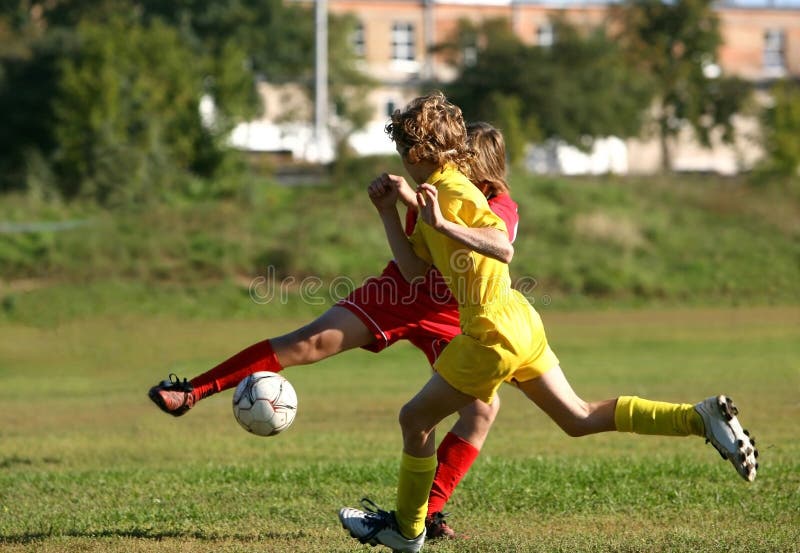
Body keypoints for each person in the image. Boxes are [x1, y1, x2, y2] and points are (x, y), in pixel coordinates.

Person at [338, 91, 759, 553]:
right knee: (578, 417)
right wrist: (389, 213)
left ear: (417, 152)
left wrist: (443, 224)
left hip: (490, 331)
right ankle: (697, 419)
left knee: (414, 418)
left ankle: (407, 529)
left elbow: (502, 247)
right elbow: (416, 276)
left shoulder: (456, 191)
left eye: (402, 150)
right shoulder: (435, 191)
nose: (401, 159)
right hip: (518, 320)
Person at [148, 122, 519, 539]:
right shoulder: (435, 189)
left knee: (482, 411)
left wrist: (411, 199)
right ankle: (191, 392)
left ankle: (426, 514)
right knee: (306, 343)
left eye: (460, 158)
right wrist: (396, 205)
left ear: (483, 168)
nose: (449, 163)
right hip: (398, 293)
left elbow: (494, 242)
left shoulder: (499, 206)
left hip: (455, 314)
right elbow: (416, 261)